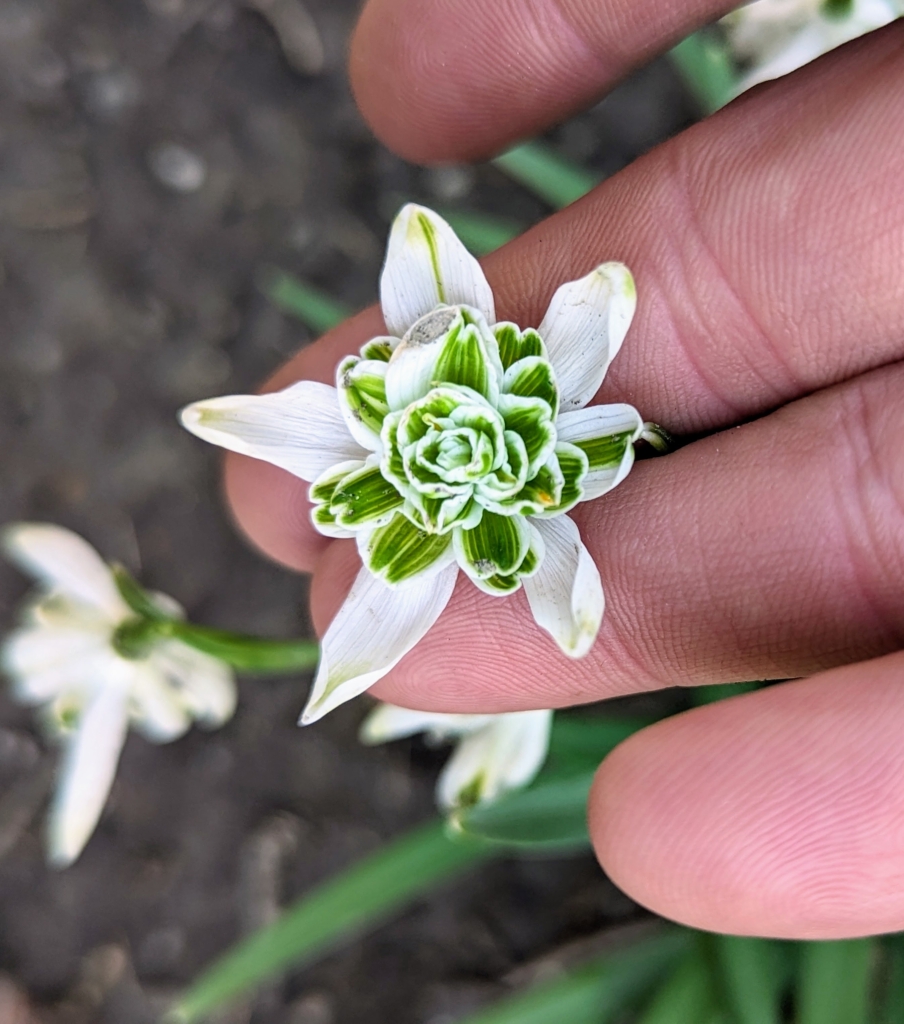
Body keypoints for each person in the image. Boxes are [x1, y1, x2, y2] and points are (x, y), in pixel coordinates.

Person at [224, 0, 904, 940]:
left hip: (545, 444)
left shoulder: (532, 421)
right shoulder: (436, 498)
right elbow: (542, 289)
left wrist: (596, 314)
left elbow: (586, 301)